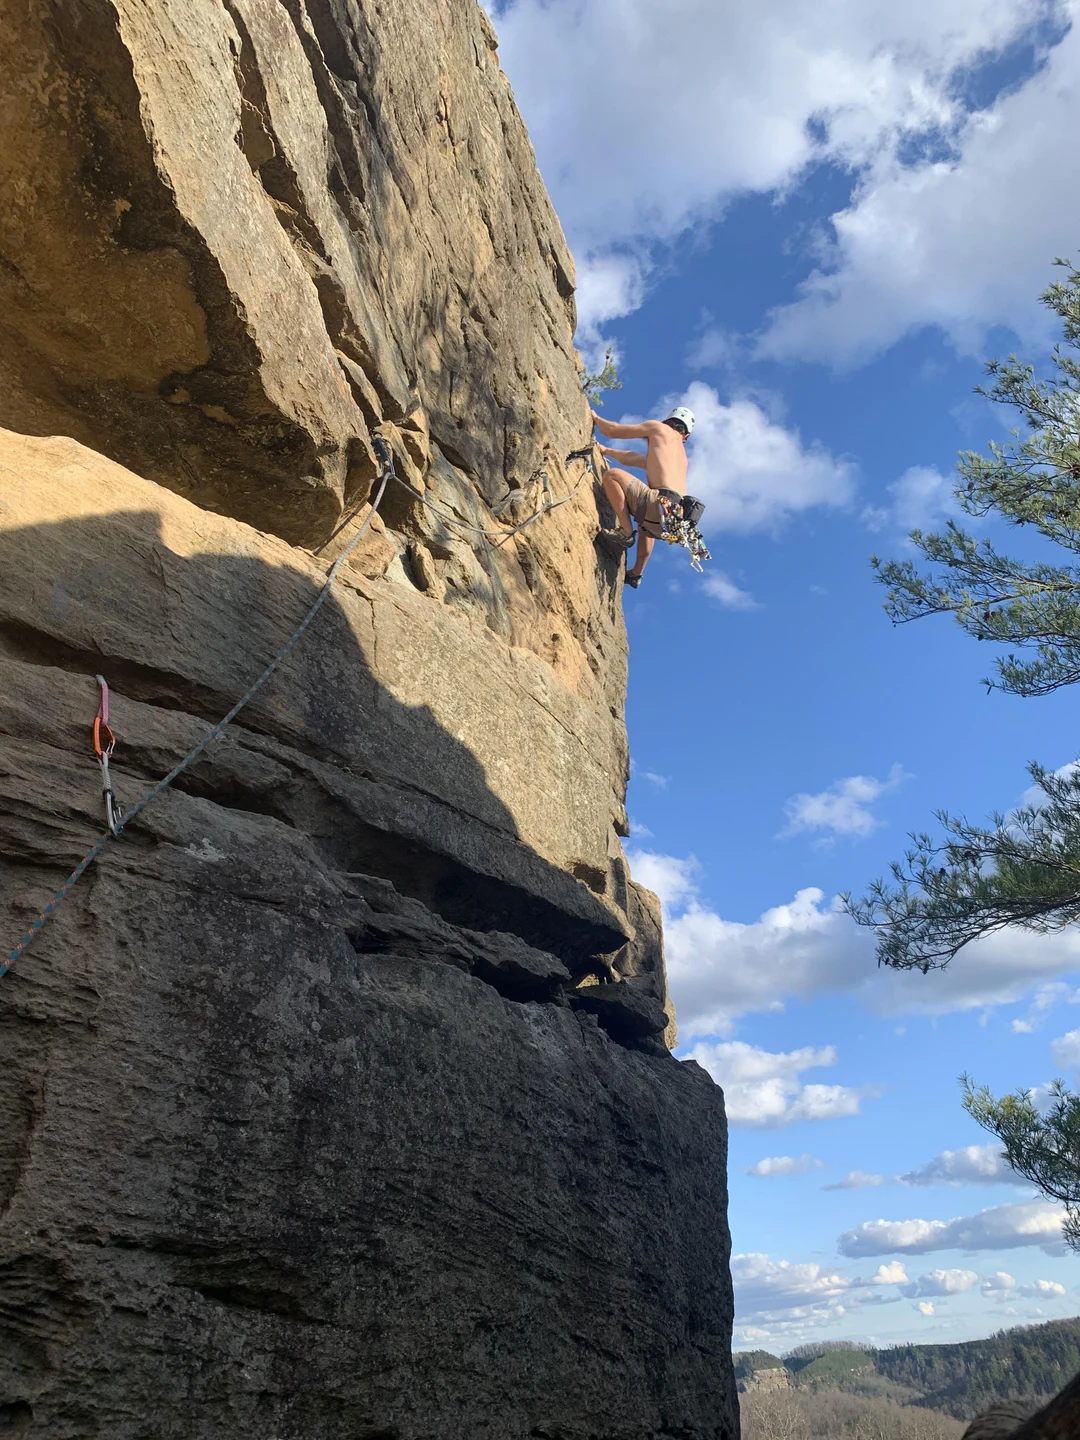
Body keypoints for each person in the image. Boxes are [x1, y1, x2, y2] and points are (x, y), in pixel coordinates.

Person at [591, 406, 694, 587]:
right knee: (648, 522)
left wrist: (595, 417)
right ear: (686, 436)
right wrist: (606, 451)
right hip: (673, 517)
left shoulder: (658, 428)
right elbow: (634, 459)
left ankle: (625, 532)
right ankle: (636, 573)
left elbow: (612, 430)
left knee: (613, 475)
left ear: (666, 422)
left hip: (657, 502)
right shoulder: (682, 459)